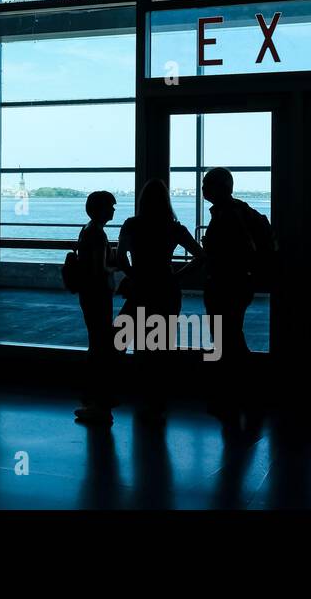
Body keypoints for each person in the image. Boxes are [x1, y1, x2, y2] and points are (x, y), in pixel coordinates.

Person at [116, 179, 203, 422]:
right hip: (166, 290)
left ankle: (110, 394)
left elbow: (121, 259)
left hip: (140, 290)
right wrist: (176, 277)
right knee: (160, 347)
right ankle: (156, 400)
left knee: (120, 340)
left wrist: (135, 277)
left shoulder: (131, 225)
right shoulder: (174, 228)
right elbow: (200, 257)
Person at [201, 167, 266, 429]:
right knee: (232, 338)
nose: (203, 188)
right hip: (241, 284)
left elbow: (223, 255)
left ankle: (242, 395)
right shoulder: (241, 210)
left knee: (229, 341)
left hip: (225, 285)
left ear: (218, 187)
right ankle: (241, 396)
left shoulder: (225, 215)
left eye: (206, 183)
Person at [74, 191, 118, 426]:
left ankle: (94, 400)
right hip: (99, 296)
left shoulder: (86, 230)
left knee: (96, 344)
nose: (113, 210)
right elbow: (99, 270)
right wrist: (117, 267)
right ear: (101, 209)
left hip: (88, 296)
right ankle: (101, 401)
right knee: (102, 347)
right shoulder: (98, 235)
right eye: (111, 206)